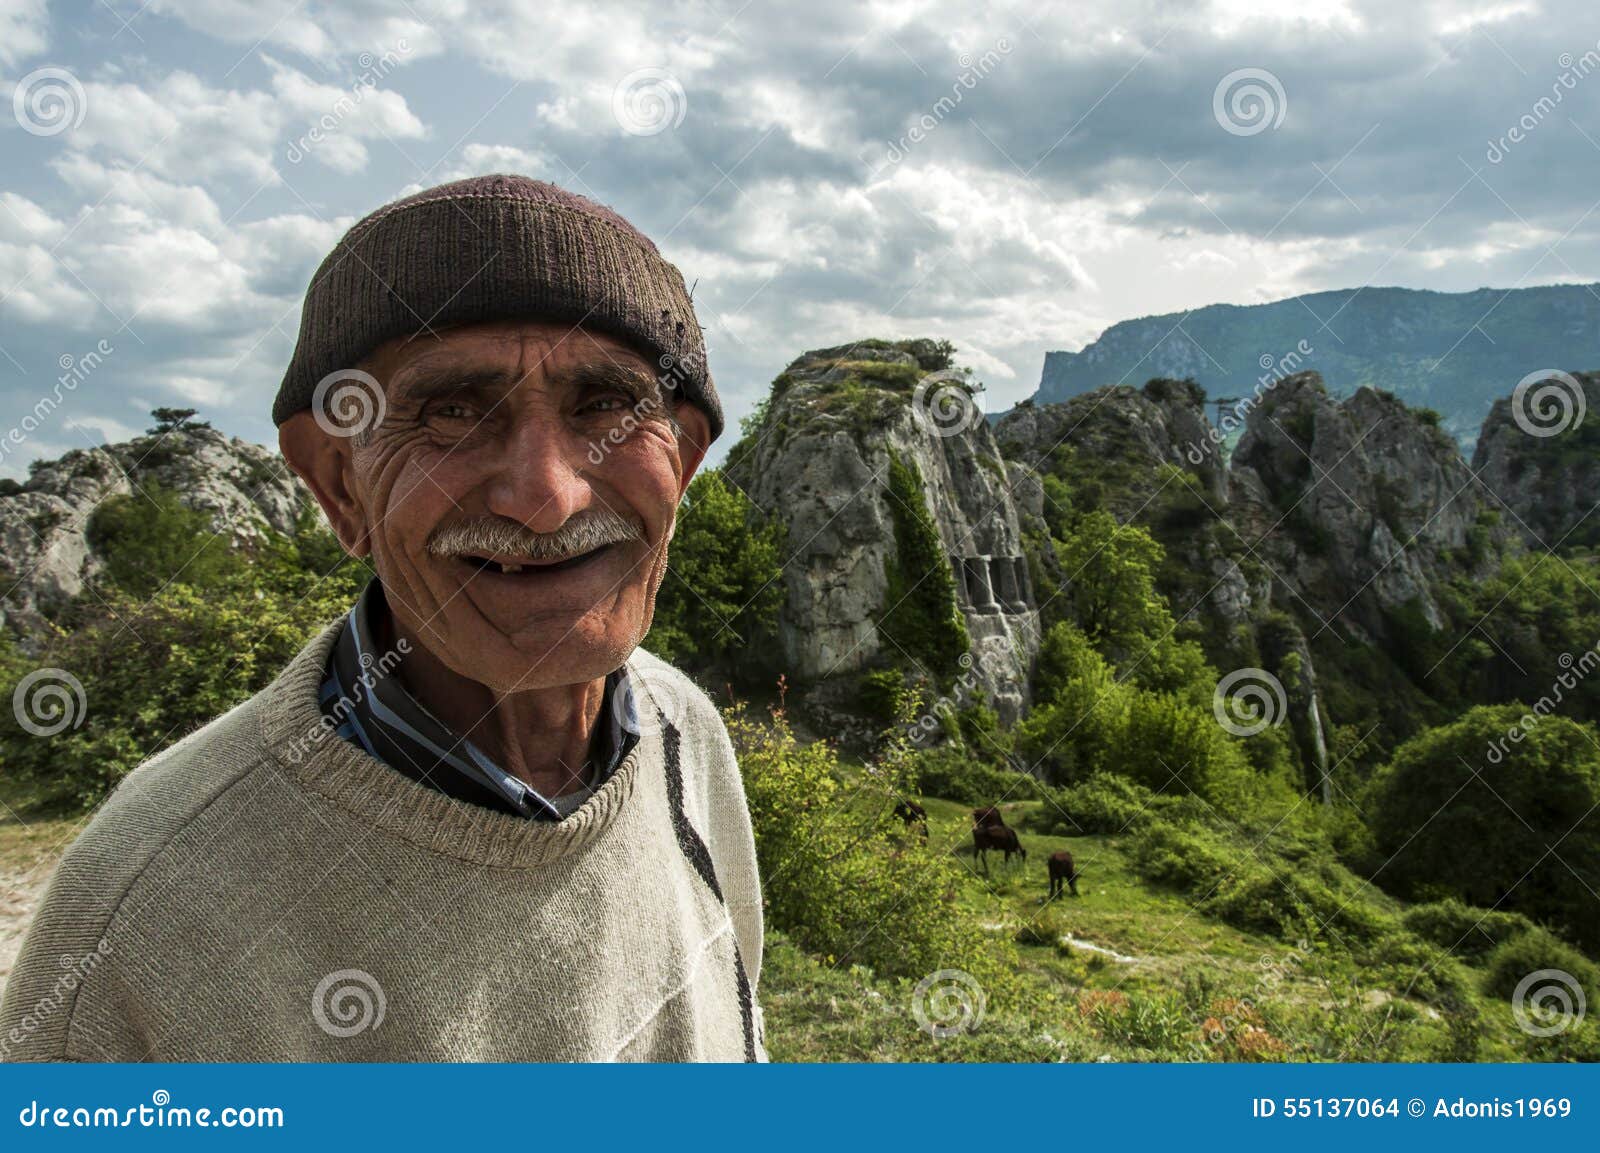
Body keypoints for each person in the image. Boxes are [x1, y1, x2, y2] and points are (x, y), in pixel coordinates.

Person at [0, 174, 766, 1062]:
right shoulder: (141, 913)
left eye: (605, 405)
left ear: (684, 457)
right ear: (338, 484)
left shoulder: (686, 735)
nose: (547, 499)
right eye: (452, 411)